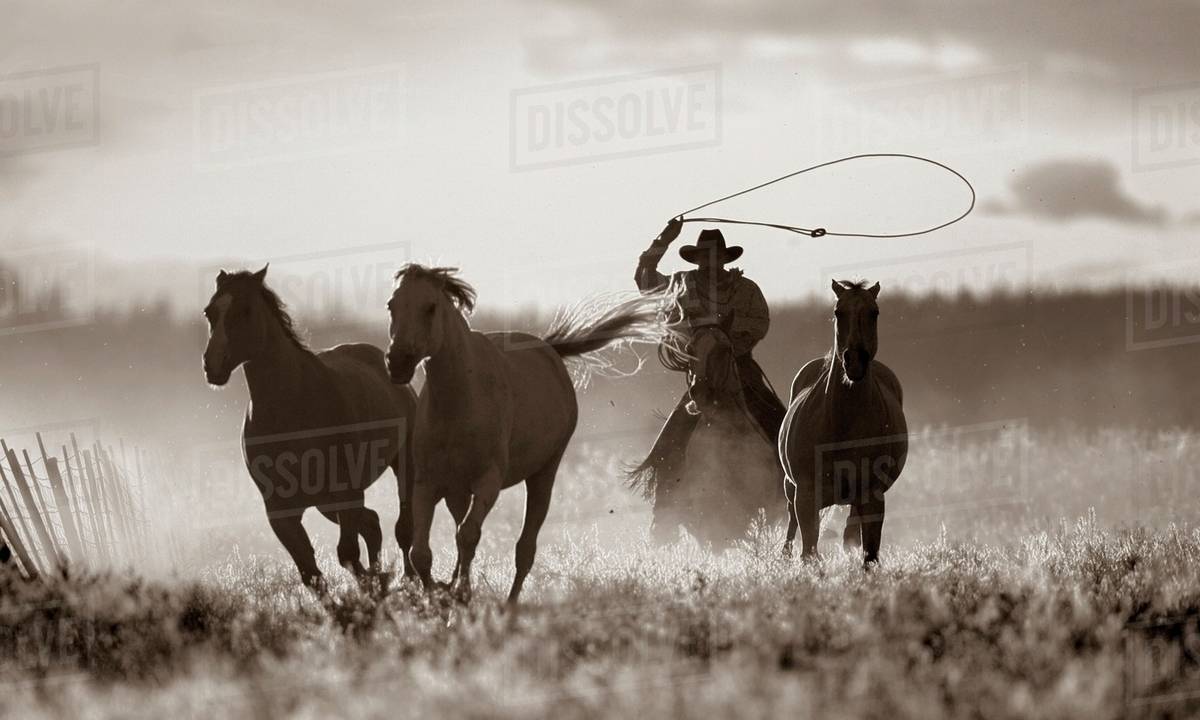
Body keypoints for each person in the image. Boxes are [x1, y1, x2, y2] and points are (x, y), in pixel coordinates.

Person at [632, 218, 787, 483]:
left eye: (715, 256)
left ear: (725, 259)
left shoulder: (745, 288)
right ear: (698, 259)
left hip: (741, 367)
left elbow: (760, 322)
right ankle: (664, 498)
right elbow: (644, 278)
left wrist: (729, 341)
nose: (711, 261)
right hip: (700, 373)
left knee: (779, 422)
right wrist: (664, 240)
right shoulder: (681, 284)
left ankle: (790, 475)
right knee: (672, 439)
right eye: (705, 256)